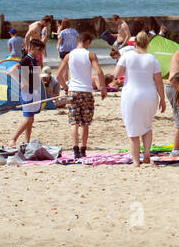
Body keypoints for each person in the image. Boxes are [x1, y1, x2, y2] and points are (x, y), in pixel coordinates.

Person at [114, 32, 165, 165]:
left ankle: (136, 161)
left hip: (131, 95)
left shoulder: (127, 56)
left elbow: (117, 74)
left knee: (133, 129)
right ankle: (147, 154)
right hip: (150, 95)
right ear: (147, 44)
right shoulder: (152, 58)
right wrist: (163, 99)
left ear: (134, 43)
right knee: (147, 126)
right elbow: (159, 82)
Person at [55, 30, 105, 161]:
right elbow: (99, 72)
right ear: (87, 42)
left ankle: (75, 149)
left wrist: (66, 88)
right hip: (86, 91)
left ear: (77, 41)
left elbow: (58, 75)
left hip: (73, 91)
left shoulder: (68, 56)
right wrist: (103, 87)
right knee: (85, 123)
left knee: (74, 123)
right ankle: (83, 149)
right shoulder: (90, 55)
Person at [11, 39, 47, 145]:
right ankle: (13, 139)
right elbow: (13, 70)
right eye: (39, 50)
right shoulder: (26, 59)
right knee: (28, 119)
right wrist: (21, 81)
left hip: (34, 90)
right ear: (32, 48)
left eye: (42, 50)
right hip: (27, 91)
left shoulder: (34, 60)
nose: (41, 52)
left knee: (31, 119)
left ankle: (27, 141)